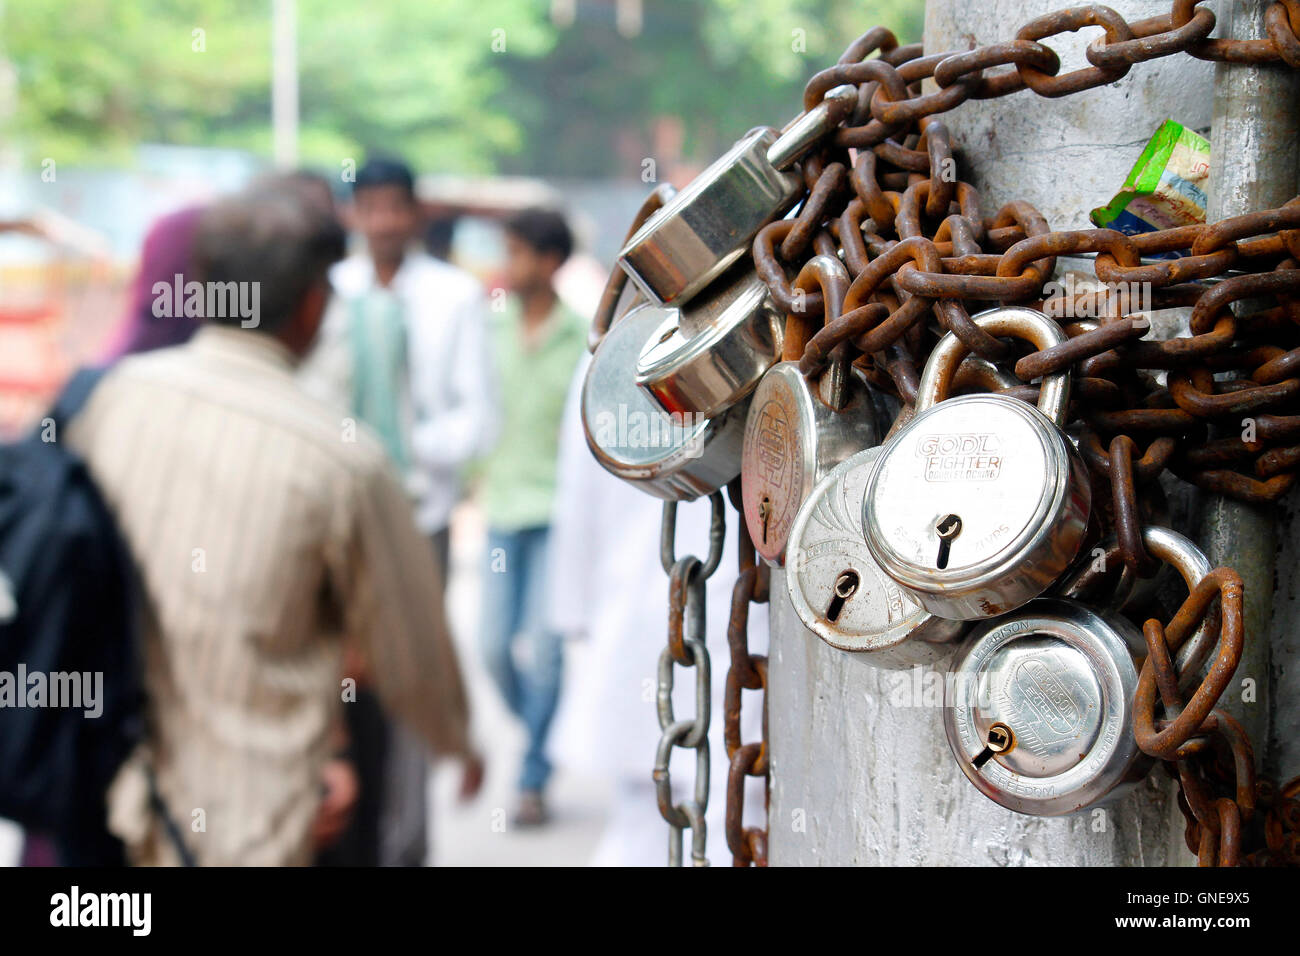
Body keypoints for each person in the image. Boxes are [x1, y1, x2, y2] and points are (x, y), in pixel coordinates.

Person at [65, 184, 481, 866]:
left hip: (121, 794)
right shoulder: (342, 458)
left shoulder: (106, 403)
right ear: (316, 302)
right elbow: (409, 646)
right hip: (261, 813)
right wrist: (456, 740)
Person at [299, 156, 497, 865]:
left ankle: (404, 847)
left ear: (415, 214)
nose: (383, 222)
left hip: (419, 520)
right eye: (369, 208)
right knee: (339, 683)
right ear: (354, 215)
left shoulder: (456, 297)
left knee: (410, 682)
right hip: (334, 526)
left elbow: (477, 419)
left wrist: (402, 453)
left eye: (395, 208)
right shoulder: (326, 293)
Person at [547, 353, 769, 865]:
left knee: (664, 812)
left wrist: (574, 619)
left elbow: (575, 511)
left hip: (686, 626)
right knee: (674, 809)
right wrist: (576, 616)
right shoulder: (609, 362)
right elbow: (579, 505)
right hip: (674, 625)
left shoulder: (605, 361)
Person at [475, 208, 587, 826]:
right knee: (491, 648)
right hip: (499, 509)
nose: (506, 264)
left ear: (549, 263)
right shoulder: (489, 329)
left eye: (516, 252)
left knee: (544, 653)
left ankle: (532, 772)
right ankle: (544, 731)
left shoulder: (579, 339)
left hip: (554, 513)